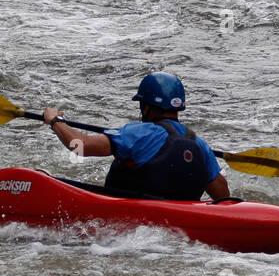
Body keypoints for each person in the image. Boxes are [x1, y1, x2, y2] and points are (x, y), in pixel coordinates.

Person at [41, 72, 230, 201]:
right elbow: (223, 198)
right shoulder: (200, 145)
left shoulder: (138, 133)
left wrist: (55, 120)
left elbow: (80, 145)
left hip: (131, 218)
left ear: (145, 106)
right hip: (178, 222)